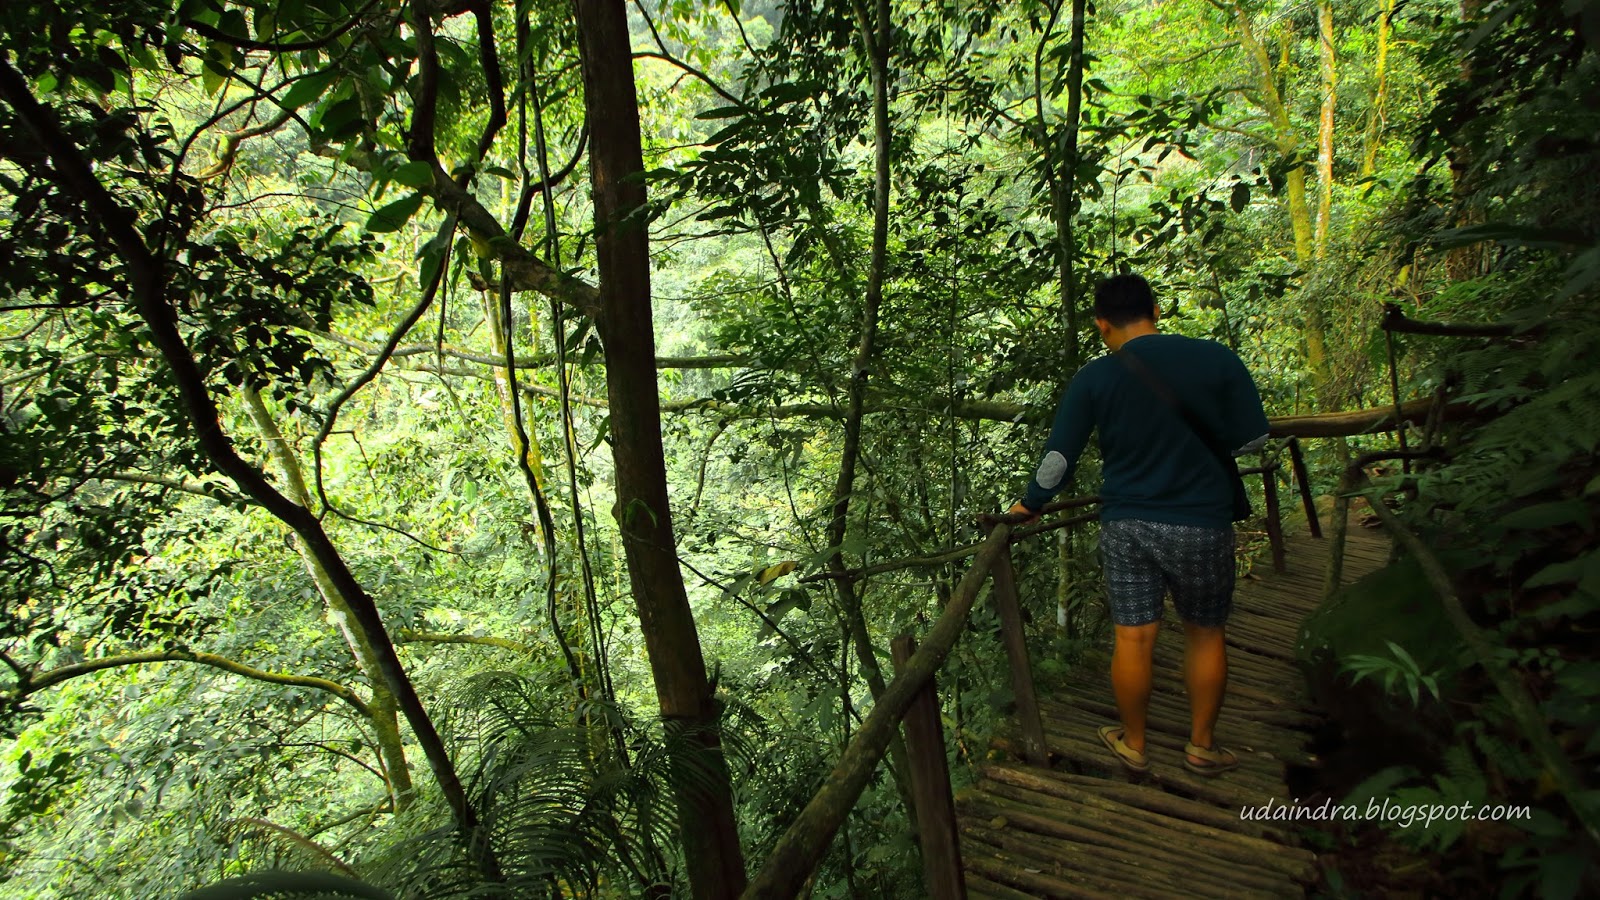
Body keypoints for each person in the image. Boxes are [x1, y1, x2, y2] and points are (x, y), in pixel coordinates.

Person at [1007, 273, 1269, 777]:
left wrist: (1031, 504)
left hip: (1127, 524)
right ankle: (1200, 746)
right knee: (1206, 632)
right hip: (1201, 521)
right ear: (1155, 309)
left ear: (1103, 324)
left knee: (1133, 636)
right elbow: (1253, 439)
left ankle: (1134, 742)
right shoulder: (1215, 358)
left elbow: (1058, 459)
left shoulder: (1094, 378)